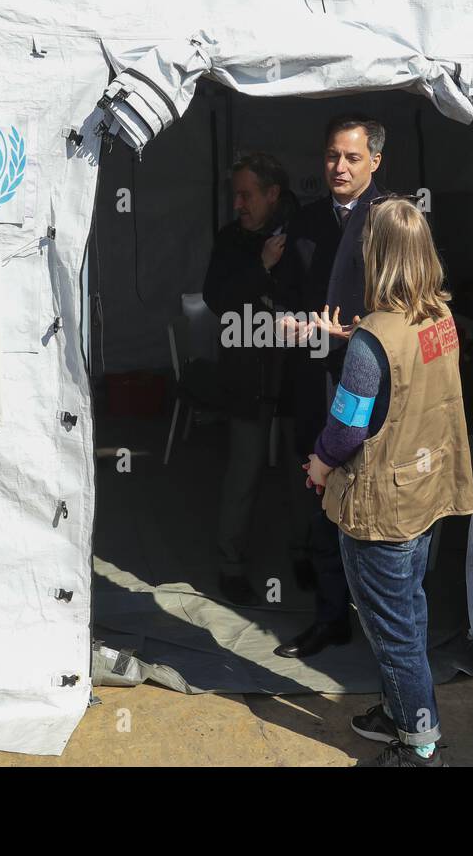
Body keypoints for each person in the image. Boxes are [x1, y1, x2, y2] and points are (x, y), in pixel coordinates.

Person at [305, 197, 473, 767]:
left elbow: (347, 427)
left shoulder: (372, 341)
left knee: (391, 627)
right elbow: (405, 376)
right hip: (425, 492)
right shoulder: (441, 318)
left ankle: (419, 745)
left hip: (383, 505)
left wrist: (319, 466)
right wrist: (357, 336)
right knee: (411, 608)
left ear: (372, 255)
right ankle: (398, 710)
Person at [274, 113, 388, 659]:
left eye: (351, 158)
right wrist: (290, 321)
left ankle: (383, 625)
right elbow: (287, 295)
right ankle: (329, 616)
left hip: (375, 380)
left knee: (372, 494)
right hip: (316, 380)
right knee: (319, 490)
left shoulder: (395, 219)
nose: (339, 168)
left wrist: (358, 330)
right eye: (331, 157)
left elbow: (416, 298)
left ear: (375, 161)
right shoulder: (306, 221)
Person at [202, 153, 305, 605]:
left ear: (272, 194)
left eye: (247, 194)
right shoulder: (231, 240)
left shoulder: (306, 232)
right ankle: (231, 564)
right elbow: (216, 299)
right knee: (243, 470)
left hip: (297, 370)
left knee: (305, 470)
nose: (239, 203)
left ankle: (306, 554)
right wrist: (259, 267)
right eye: (235, 194)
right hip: (249, 375)